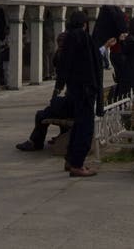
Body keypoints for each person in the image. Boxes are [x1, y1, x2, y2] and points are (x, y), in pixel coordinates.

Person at [55, 10, 103, 178]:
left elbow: (63, 65)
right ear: (84, 24)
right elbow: (94, 63)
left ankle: (70, 159)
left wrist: (59, 86)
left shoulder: (67, 39)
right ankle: (77, 164)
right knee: (85, 127)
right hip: (86, 89)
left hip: (74, 89)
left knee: (78, 125)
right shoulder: (84, 38)